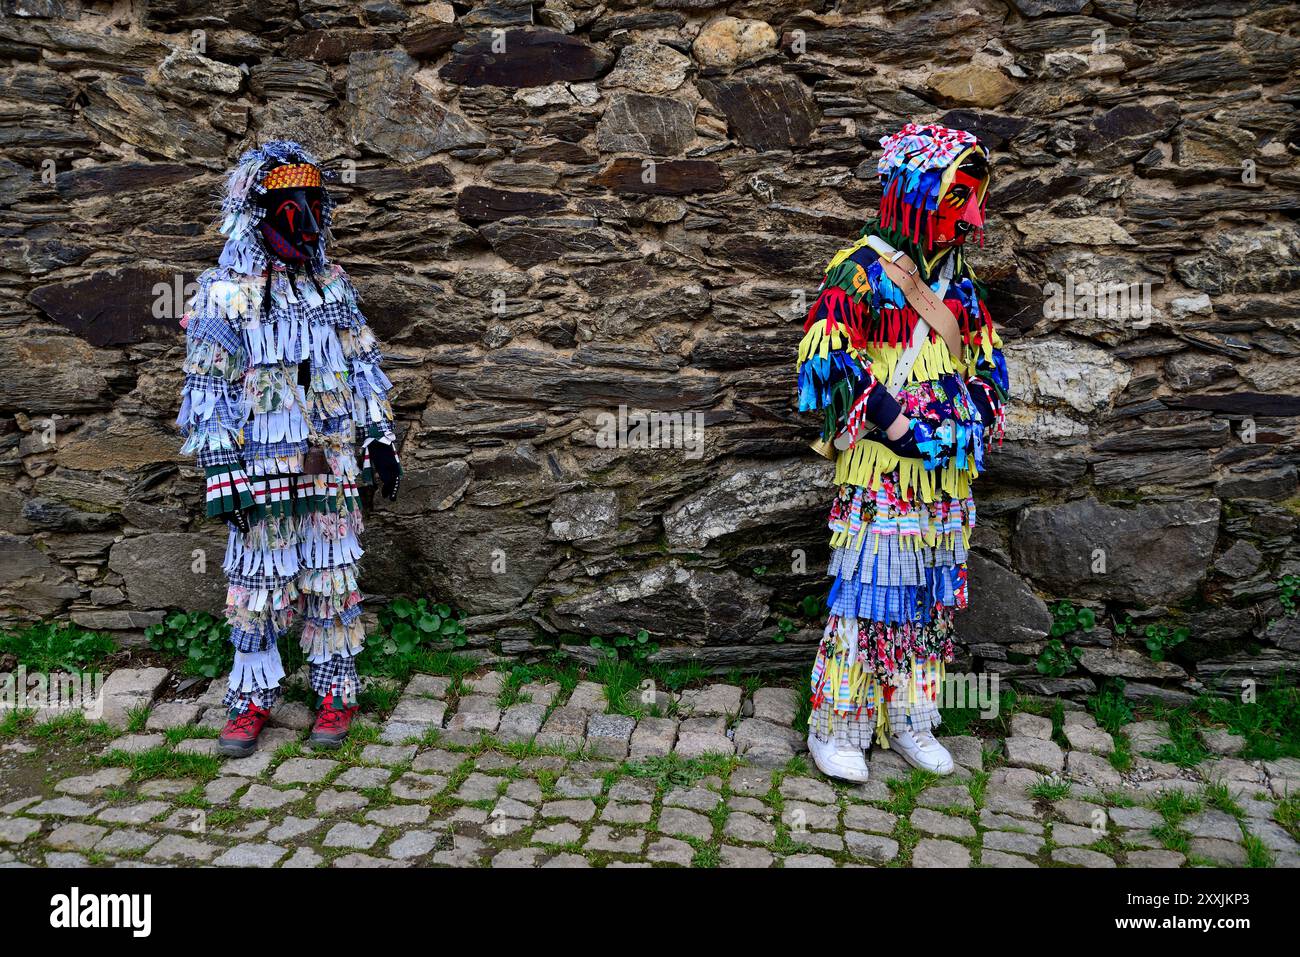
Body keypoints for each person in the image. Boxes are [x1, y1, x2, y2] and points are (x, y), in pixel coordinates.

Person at [794, 123, 1010, 782]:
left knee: (928, 592)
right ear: (913, 193)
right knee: (869, 589)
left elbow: (983, 348)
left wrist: (975, 408)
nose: (971, 219)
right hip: (885, 469)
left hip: (945, 476)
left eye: (975, 201)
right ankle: (839, 723)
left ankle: (911, 717)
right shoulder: (859, 270)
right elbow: (826, 356)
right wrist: (897, 427)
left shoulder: (956, 278)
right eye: (957, 200)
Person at [177, 140, 401, 756]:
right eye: (285, 203)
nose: (299, 213)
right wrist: (221, 470)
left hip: (328, 458)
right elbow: (208, 388)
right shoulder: (222, 295)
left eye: (310, 201)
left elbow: (362, 367)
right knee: (256, 585)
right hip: (261, 466)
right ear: (256, 210)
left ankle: (335, 694)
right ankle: (250, 702)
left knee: (330, 580)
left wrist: (379, 437)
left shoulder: (333, 286)